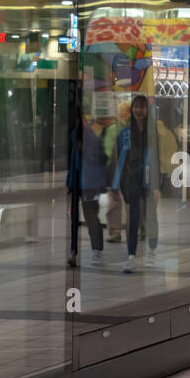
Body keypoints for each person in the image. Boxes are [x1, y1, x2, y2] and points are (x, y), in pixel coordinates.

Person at [112, 93, 161, 273]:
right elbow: (120, 161)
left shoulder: (152, 133)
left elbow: (157, 160)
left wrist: (157, 186)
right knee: (132, 220)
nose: (138, 110)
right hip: (132, 180)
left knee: (151, 218)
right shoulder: (125, 133)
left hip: (148, 181)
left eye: (142, 107)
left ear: (147, 110)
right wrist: (119, 185)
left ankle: (152, 251)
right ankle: (131, 257)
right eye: (135, 107)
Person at [67, 110, 108, 267]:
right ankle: (74, 251)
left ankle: (97, 250)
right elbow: (73, 159)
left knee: (91, 217)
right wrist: (70, 181)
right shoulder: (74, 135)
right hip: (79, 181)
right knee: (75, 219)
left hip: (90, 183)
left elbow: (96, 159)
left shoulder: (90, 137)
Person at [101, 100, 130, 242]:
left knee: (115, 202)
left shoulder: (114, 129)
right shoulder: (133, 130)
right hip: (124, 172)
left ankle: (115, 232)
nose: (124, 114)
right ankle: (137, 229)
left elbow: (106, 152)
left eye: (126, 111)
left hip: (116, 172)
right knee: (128, 202)